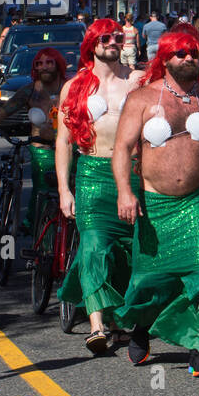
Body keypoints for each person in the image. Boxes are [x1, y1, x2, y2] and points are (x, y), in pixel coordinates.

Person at [112, 24, 199, 377]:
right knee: (149, 280)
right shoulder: (142, 99)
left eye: (193, 52)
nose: (188, 58)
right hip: (155, 205)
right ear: (166, 58)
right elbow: (123, 150)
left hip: (197, 203)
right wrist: (126, 192)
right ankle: (143, 328)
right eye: (180, 53)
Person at [55, 20, 145, 354]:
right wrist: (65, 189)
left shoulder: (136, 80)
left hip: (132, 174)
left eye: (117, 38)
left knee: (126, 248)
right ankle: (96, 325)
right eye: (105, 38)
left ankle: (119, 320)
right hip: (91, 173)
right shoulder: (75, 86)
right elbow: (63, 141)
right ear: (92, 43)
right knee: (93, 246)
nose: (112, 42)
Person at [0, 47, 66, 235]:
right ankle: (35, 222)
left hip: (68, 147)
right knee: (43, 186)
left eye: (49, 63)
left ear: (58, 65)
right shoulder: (31, 91)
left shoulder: (69, 87)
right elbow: (6, 110)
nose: (44, 67)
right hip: (42, 148)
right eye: (39, 64)